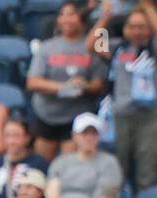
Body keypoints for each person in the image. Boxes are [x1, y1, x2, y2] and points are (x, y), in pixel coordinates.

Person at [101, 4, 157, 193]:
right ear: (124, 29)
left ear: (149, 29)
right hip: (120, 116)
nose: (136, 31)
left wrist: (148, 6)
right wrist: (106, 17)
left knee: (147, 175)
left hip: (150, 118)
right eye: (132, 26)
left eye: (142, 26)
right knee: (117, 170)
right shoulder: (117, 48)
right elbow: (93, 44)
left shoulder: (155, 48)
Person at [26, 2, 108, 161]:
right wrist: (64, 87)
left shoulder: (92, 47)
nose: (66, 20)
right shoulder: (47, 47)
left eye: (72, 15)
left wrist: (85, 86)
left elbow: (99, 84)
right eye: (62, 15)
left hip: (75, 117)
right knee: (42, 166)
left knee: (69, 166)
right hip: (46, 115)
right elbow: (33, 82)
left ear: (82, 18)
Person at [45, 113, 123, 198]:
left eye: (94, 133)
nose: (89, 137)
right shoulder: (61, 162)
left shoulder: (109, 162)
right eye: (84, 133)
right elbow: (52, 191)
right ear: (75, 136)